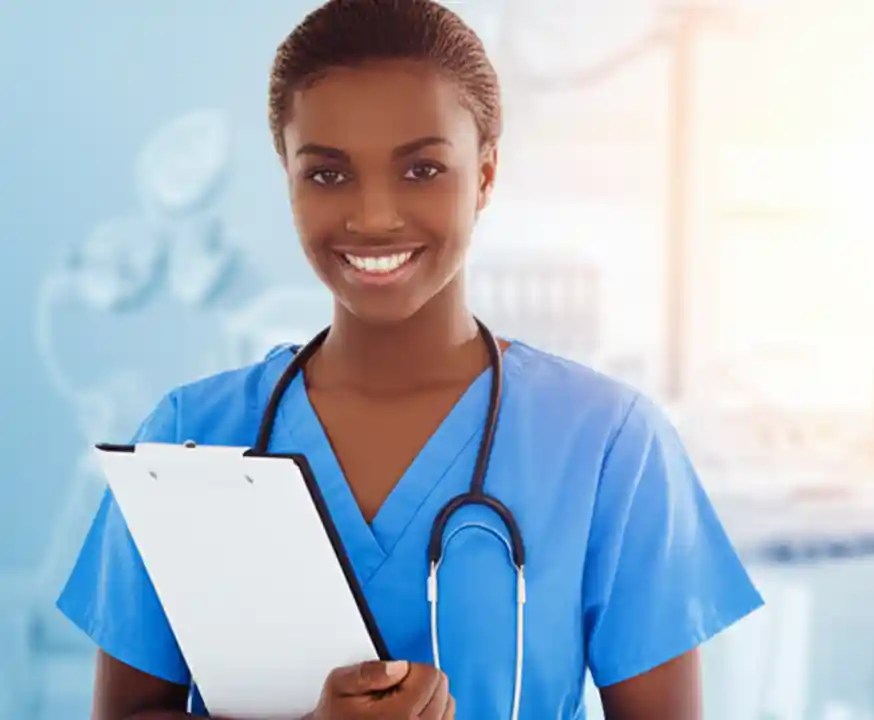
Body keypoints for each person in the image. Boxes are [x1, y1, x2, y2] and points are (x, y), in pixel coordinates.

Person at [54, 1, 764, 718]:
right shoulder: (186, 437)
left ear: (485, 175)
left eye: (423, 169)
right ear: (288, 181)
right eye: (328, 175)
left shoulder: (610, 444)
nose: (375, 216)